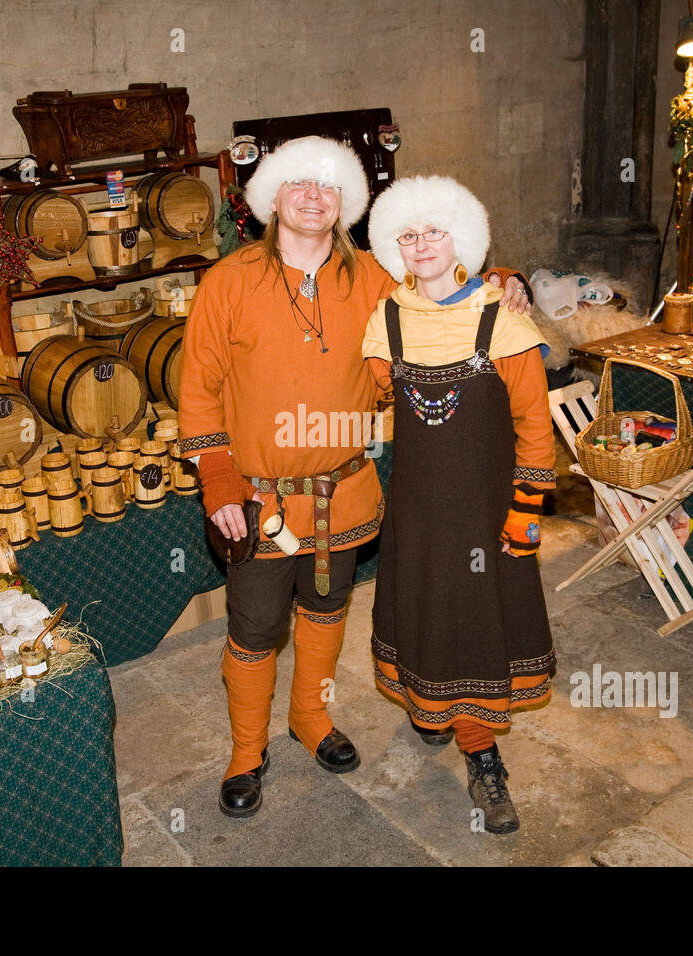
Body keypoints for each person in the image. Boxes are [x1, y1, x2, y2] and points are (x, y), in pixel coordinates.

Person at [178, 139, 530, 819]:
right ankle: (247, 751)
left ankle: (310, 717)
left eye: (330, 186)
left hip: (343, 490)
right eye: (298, 184)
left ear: (347, 203)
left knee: (328, 607)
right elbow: (198, 388)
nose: (314, 196)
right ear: (270, 198)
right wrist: (217, 478)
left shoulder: (369, 275)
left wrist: (503, 279)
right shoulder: (229, 281)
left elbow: (441, 292)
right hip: (259, 499)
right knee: (255, 628)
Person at [362, 175, 557, 834]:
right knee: (424, 616)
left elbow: (535, 424)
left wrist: (526, 510)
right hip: (417, 512)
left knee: (473, 630)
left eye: (435, 231)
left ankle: (482, 755)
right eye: (409, 235)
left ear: (462, 238)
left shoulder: (504, 319)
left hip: (485, 514)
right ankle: (431, 708)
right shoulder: (386, 318)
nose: (422, 245)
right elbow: (373, 394)